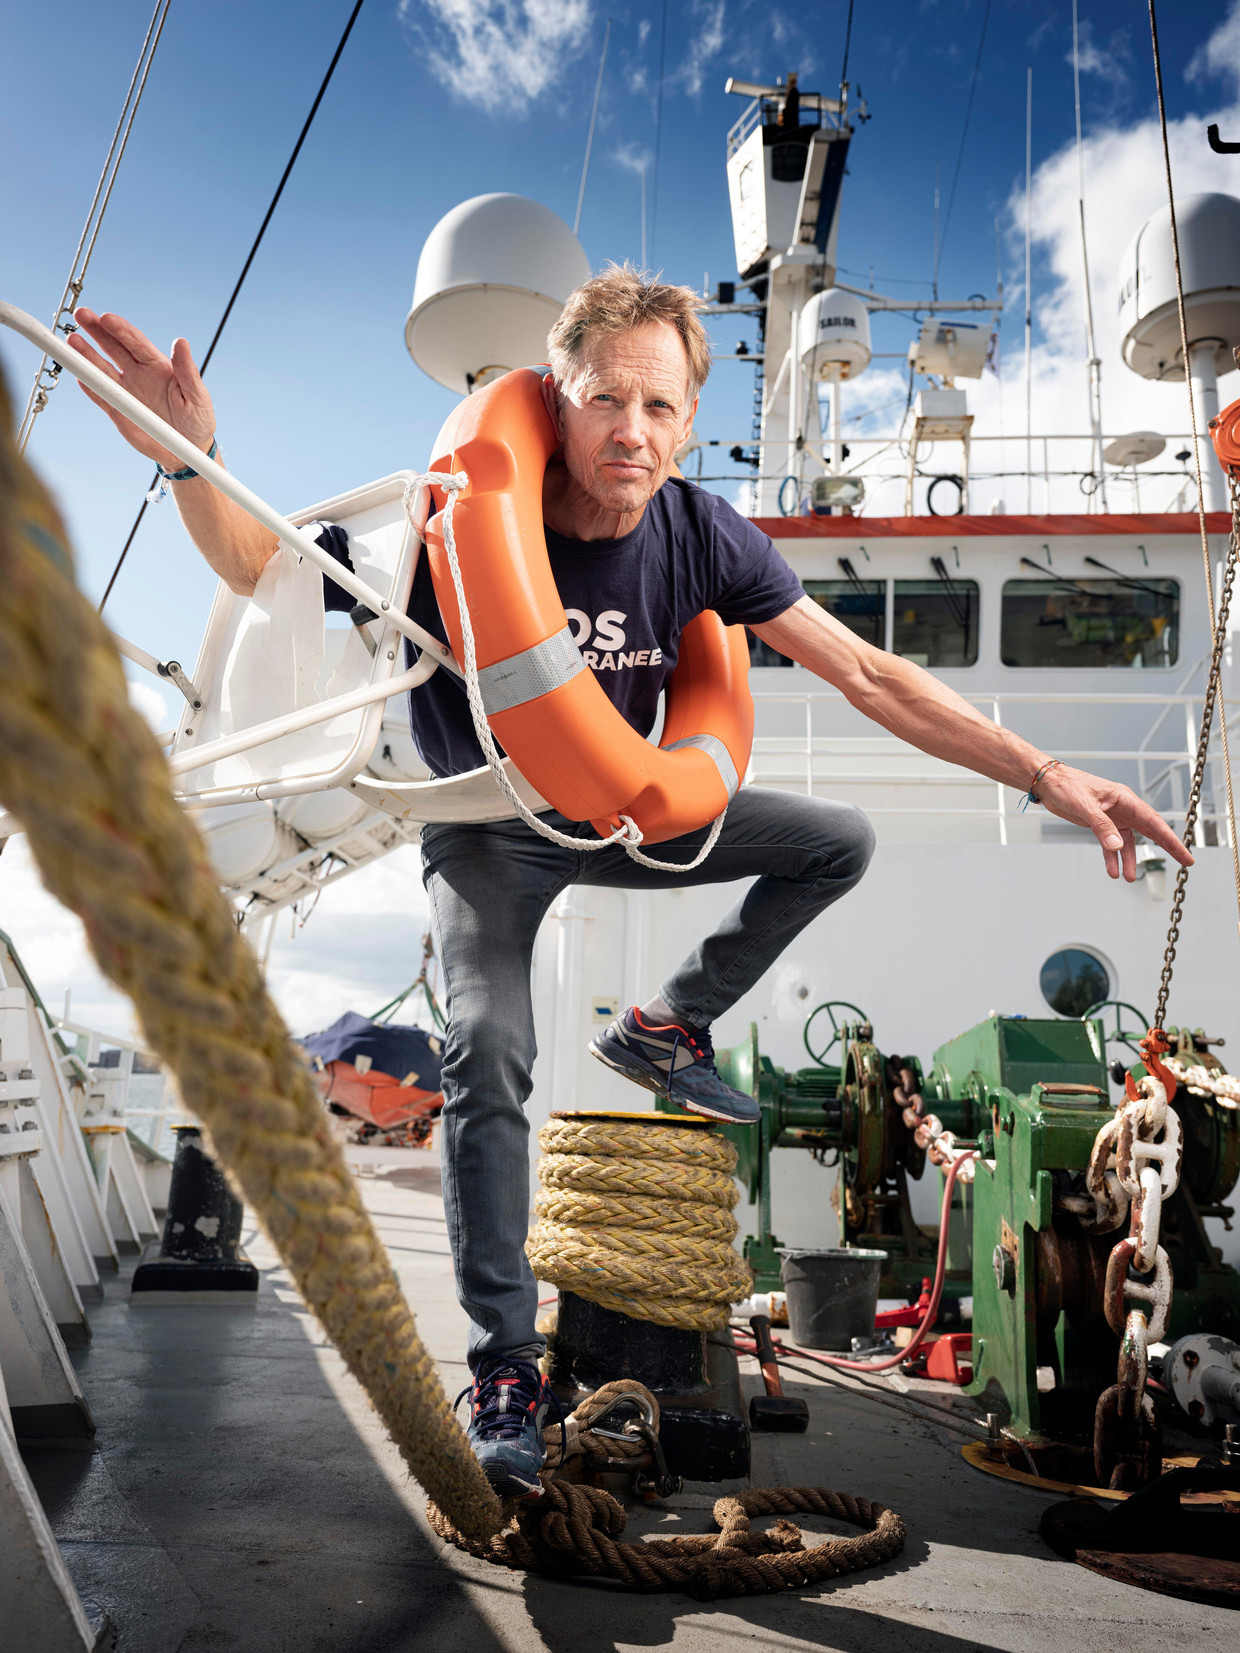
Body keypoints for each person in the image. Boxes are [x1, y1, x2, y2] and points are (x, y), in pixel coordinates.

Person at [69, 269, 1191, 1501]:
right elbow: (257, 572)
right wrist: (187, 454)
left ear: (689, 418)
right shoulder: (463, 512)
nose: (633, 433)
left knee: (838, 840)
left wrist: (1044, 774)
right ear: (558, 398)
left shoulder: (704, 537)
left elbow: (867, 674)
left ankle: (666, 1023)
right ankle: (503, 1365)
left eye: (659, 408)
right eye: (606, 400)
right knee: (486, 1047)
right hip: (490, 827)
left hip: (624, 813)